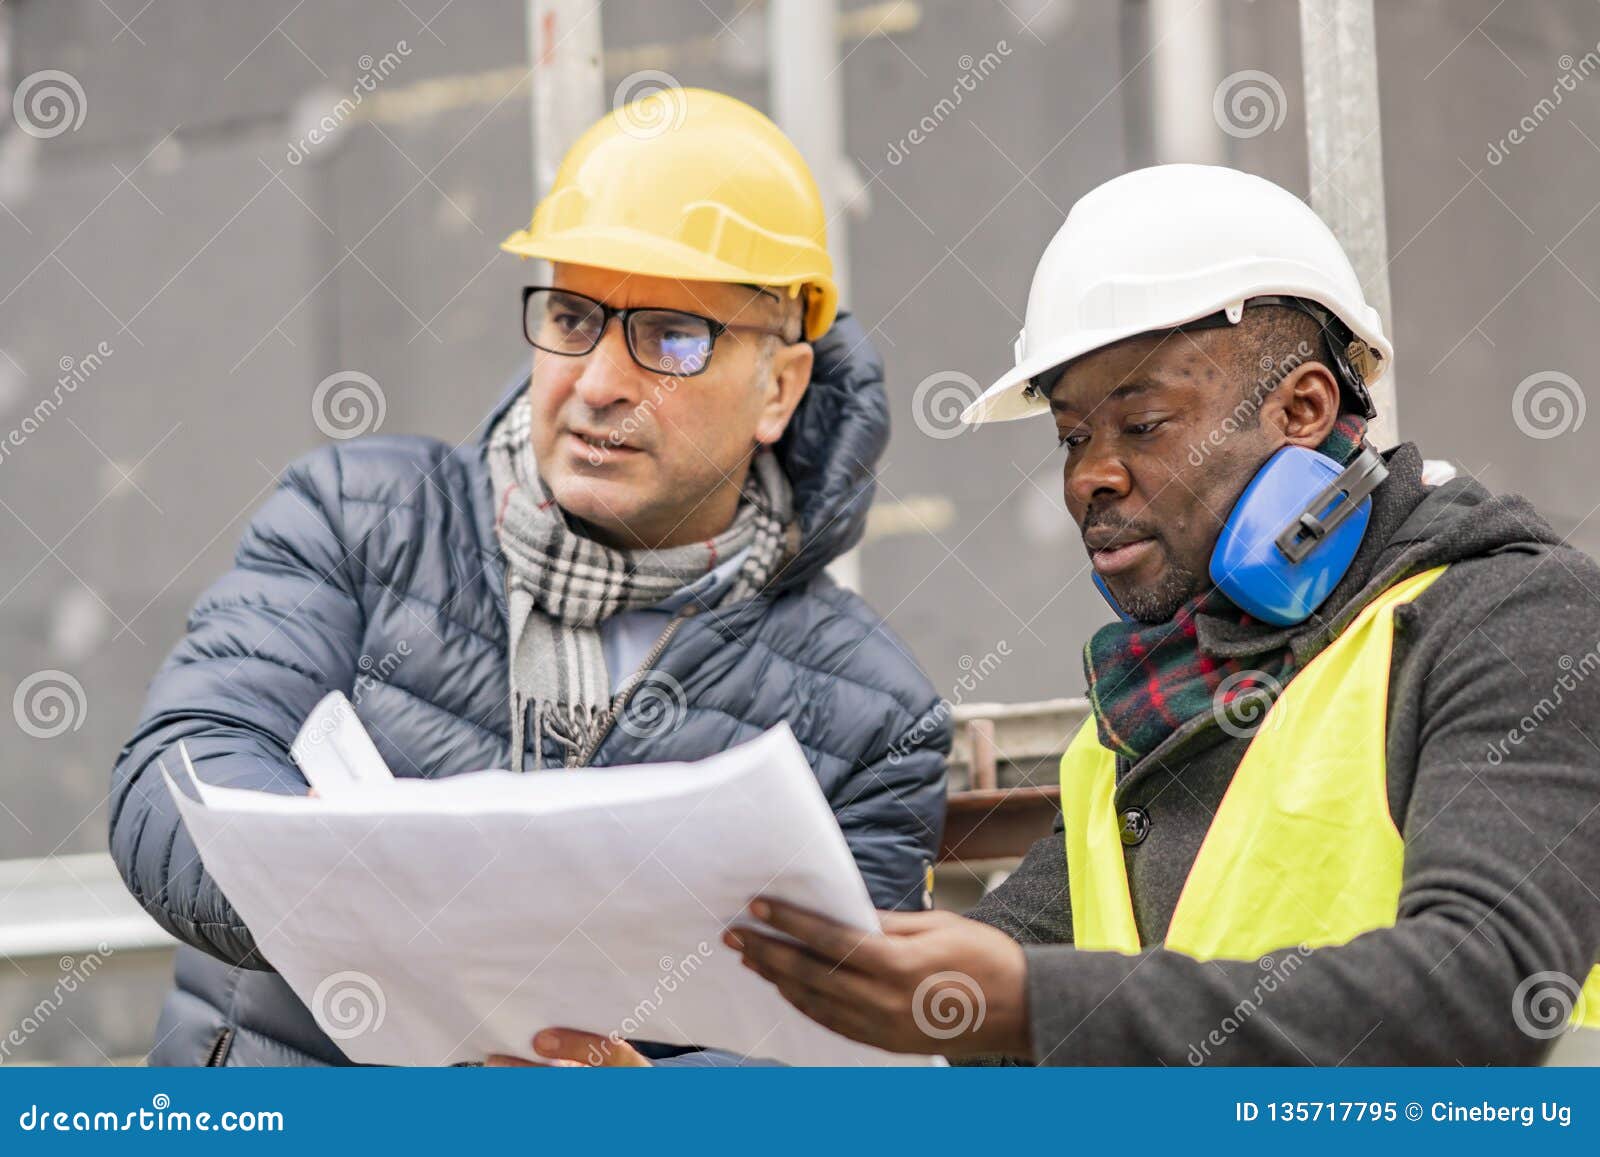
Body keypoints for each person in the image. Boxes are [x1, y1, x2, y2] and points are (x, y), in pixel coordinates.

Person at [109, 88, 949, 1067]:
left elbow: (839, 1051)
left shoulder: (871, 720)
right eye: (571, 315)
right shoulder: (356, 516)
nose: (596, 381)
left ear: (779, 387)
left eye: (670, 335)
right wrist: (394, 915)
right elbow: (178, 770)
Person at [729, 163, 1600, 1065]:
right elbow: (955, 1046)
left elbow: (1485, 990)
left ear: (1303, 407)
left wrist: (1030, 1001)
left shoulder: (1515, 622)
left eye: (1141, 425)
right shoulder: (1134, 722)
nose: (1087, 477)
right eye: (1072, 435)